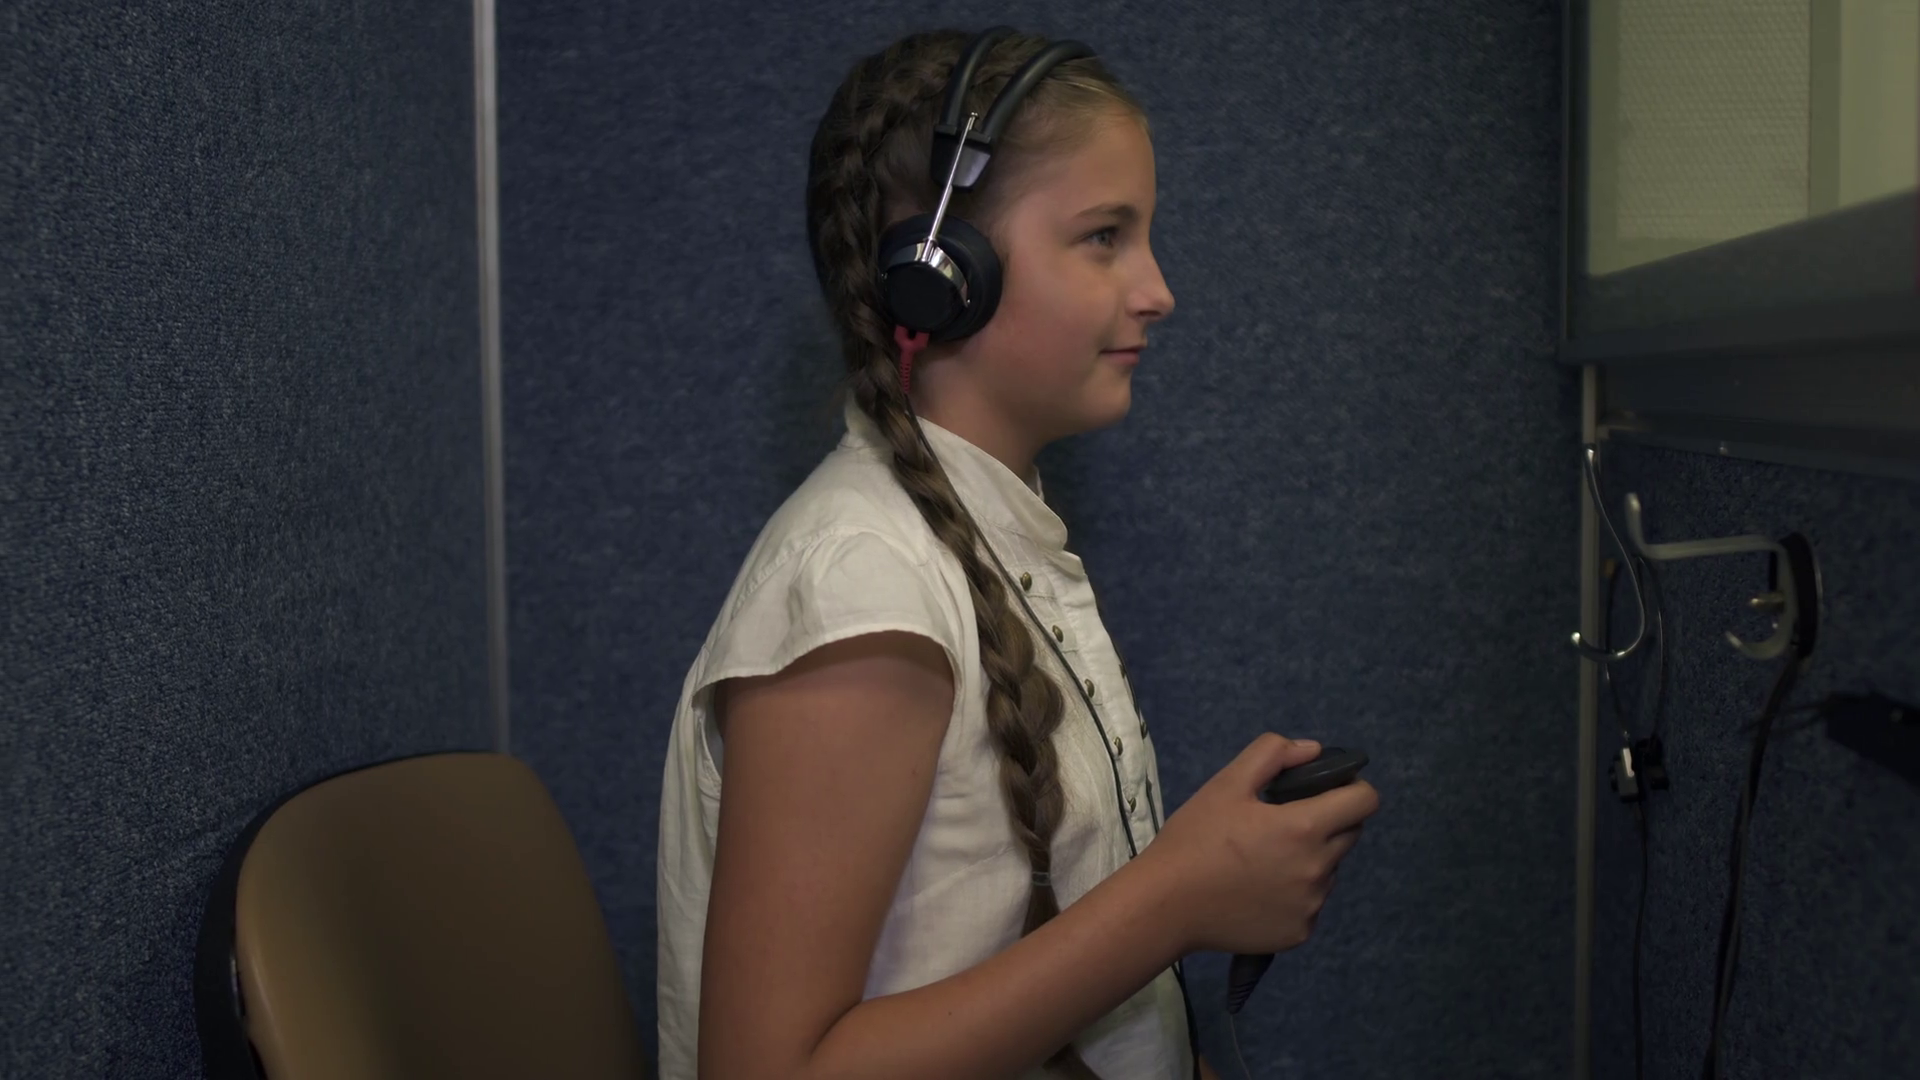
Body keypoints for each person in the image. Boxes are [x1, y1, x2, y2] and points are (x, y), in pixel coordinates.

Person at [656, 26, 1380, 1080]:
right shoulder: (861, 589)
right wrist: (1177, 899)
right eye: (1103, 237)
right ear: (943, 275)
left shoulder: (992, 542)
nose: (1158, 290)